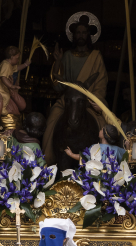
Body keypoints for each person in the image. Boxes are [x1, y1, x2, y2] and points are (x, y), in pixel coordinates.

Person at [42, 12, 109, 162]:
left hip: (90, 99)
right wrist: (58, 62)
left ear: (89, 35)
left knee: (104, 125)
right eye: (78, 32)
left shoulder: (96, 56)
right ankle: (47, 160)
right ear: (73, 35)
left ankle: (105, 162)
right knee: (52, 120)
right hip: (67, 99)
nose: (81, 35)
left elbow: (101, 83)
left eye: (84, 32)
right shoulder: (66, 56)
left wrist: (94, 99)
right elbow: (58, 86)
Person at [0, 46, 30, 130]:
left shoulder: (11, 94)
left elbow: (23, 106)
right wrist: (0, 100)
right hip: (4, 133)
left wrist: (25, 64)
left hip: (16, 132)